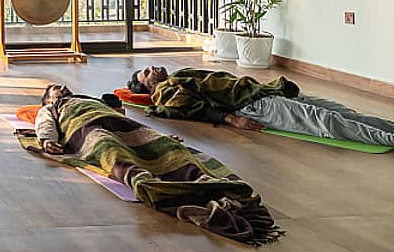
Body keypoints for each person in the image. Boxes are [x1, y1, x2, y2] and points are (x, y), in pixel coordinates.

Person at [26, 83, 281, 246]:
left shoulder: (93, 99)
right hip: (86, 127)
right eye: (56, 89)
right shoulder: (53, 109)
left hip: (116, 122)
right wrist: (48, 140)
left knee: (169, 151)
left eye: (64, 87)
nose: (63, 88)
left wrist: (159, 137)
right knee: (109, 150)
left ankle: (206, 184)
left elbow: (131, 122)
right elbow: (44, 125)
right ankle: (151, 184)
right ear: (48, 100)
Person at [128, 65, 394, 146]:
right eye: (147, 73)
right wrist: (232, 120)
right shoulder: (164, 92)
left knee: (340, 111)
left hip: (264, 92)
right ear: (149, 87)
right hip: (254, 107)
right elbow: (193, 109)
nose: (152, 68)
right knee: (326, 122)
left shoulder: (179, 74)